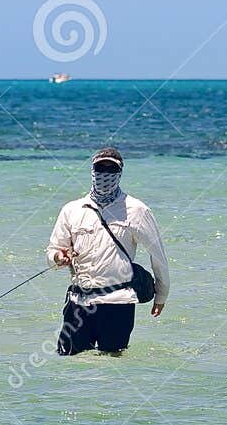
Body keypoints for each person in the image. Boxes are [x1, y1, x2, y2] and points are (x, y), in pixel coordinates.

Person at [46, 147, 169, 355]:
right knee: (68, 365)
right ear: (91, 171)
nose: (105, 174)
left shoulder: (137, 210)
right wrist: (59, 257)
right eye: (100, 168)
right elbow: (53, 251)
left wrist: (161, 295)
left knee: (113, 367)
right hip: (78, 302)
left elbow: (158, 255)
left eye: (111, 169)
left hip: (118, 302)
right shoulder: (72, 210)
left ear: (120, 173)